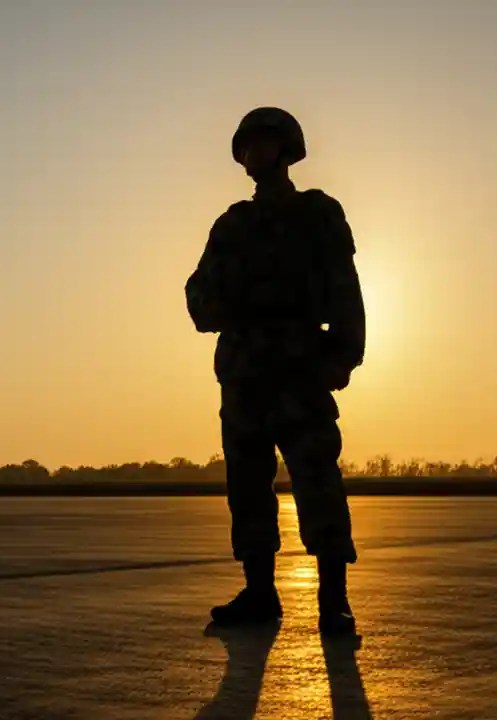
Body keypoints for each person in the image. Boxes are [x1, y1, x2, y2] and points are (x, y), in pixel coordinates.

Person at [185, 107, 365, 634]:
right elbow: (198, 293)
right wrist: (221, 308)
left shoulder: (318, 214)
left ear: (286, 149)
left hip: (299, 372)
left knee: (317, 481)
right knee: (246, 487)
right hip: (244, 377)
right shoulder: (231, 224)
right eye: (246, 146)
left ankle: (333, 597)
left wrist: (343, 354)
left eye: (262, 143)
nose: (252, 154)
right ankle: (260, 593)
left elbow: (345, 289)